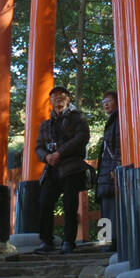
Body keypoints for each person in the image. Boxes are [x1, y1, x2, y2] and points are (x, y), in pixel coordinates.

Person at [34, 85, 90, 254]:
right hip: (52, 169)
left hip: (71, 168)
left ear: (68, 99)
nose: (58, 98)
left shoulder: (78, 118)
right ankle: (47, 241)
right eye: (55, 96)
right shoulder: (46, 125)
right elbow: (38, 147)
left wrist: (60, 152)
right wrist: (46, 157)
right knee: (44, 202)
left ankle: (68, 241)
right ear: (50, 101)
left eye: (62, 96)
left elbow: (82, 138)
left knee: (70, 205)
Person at [95, 91, 121, 246]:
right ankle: (105, 240)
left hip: (110, 169)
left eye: (109, 100)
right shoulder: (111, 121)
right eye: (103, 101)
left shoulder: (117, 121)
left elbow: (118, 144)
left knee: (110, 204)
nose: (105, 103)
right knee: (106, 203)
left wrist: (115, 166)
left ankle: (109, 241)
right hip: (105, 171)